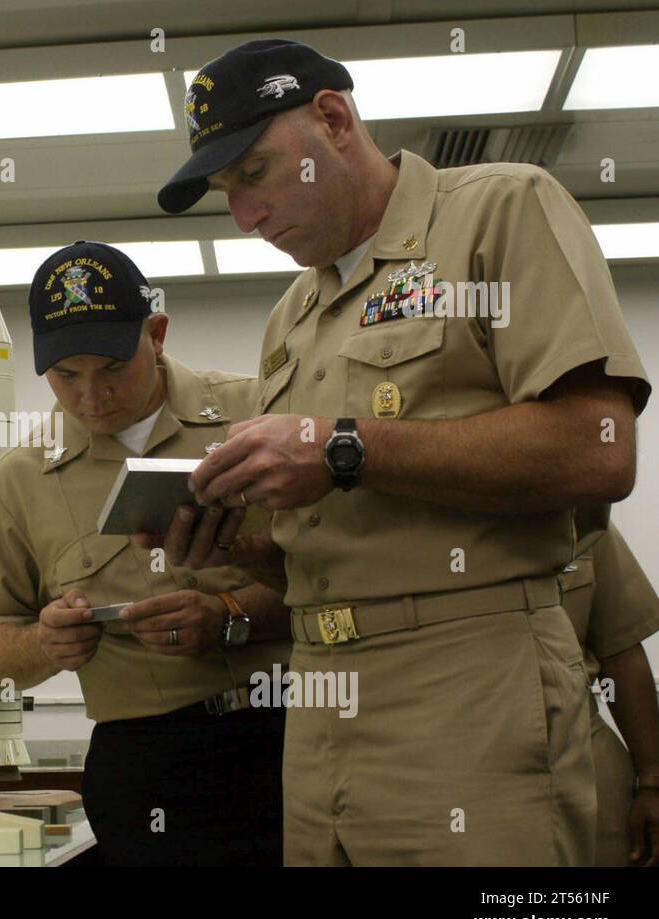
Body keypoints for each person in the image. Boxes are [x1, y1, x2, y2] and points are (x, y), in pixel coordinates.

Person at [150, 38, 650, 865]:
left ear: (335, 120)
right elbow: (327, 542)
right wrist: (228, 542)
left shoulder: (499, 209)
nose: (244, 215)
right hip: (317, 695)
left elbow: (598, 450)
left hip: (468, 684)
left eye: (255, 173)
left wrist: (343, 448)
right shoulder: (292, 317)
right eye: (223, 191)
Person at [0, 241, 290, 866]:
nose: (90, 396)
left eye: (111, 368)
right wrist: (43, 646)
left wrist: (230, 617)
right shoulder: (17, 483)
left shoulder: (256, 415)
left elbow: (345, 576)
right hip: (147, 763)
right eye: (66, 375)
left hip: (292, 733)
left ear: (155, 334)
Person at [559, 522, 659, 866]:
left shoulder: (576, 513)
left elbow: (620, 652)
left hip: (583, 762)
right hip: (445, 772)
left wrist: (651, 782)